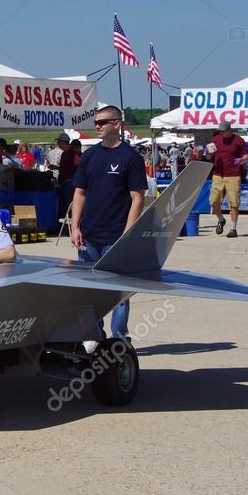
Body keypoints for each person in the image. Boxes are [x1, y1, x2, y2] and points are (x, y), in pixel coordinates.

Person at [70, 106, 147, 342]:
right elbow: (79, 193)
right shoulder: (90, 156)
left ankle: (119, 338)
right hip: (89, 235)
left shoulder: (131, 158)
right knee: (89, 290)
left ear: (116, 123)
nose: (98, 126)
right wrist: (75, 226)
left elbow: (138, 198)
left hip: (116, 236)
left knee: (118, 292)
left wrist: (128, 233)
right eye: (96, 123)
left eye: (102, 122)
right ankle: (94, 337)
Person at [206, 120, 248, 238]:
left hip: (233, 175)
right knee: (213, 201)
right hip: (218, 174)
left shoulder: (239, 141)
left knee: (234, 202)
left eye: (223, 131)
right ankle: (221, 219)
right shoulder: (216, 140)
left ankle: (233, 229)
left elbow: (246, 156)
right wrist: (207, 153)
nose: (221, 133)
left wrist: (241, 160)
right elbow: (209, 157)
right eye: (220, 131)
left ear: (230, 130)